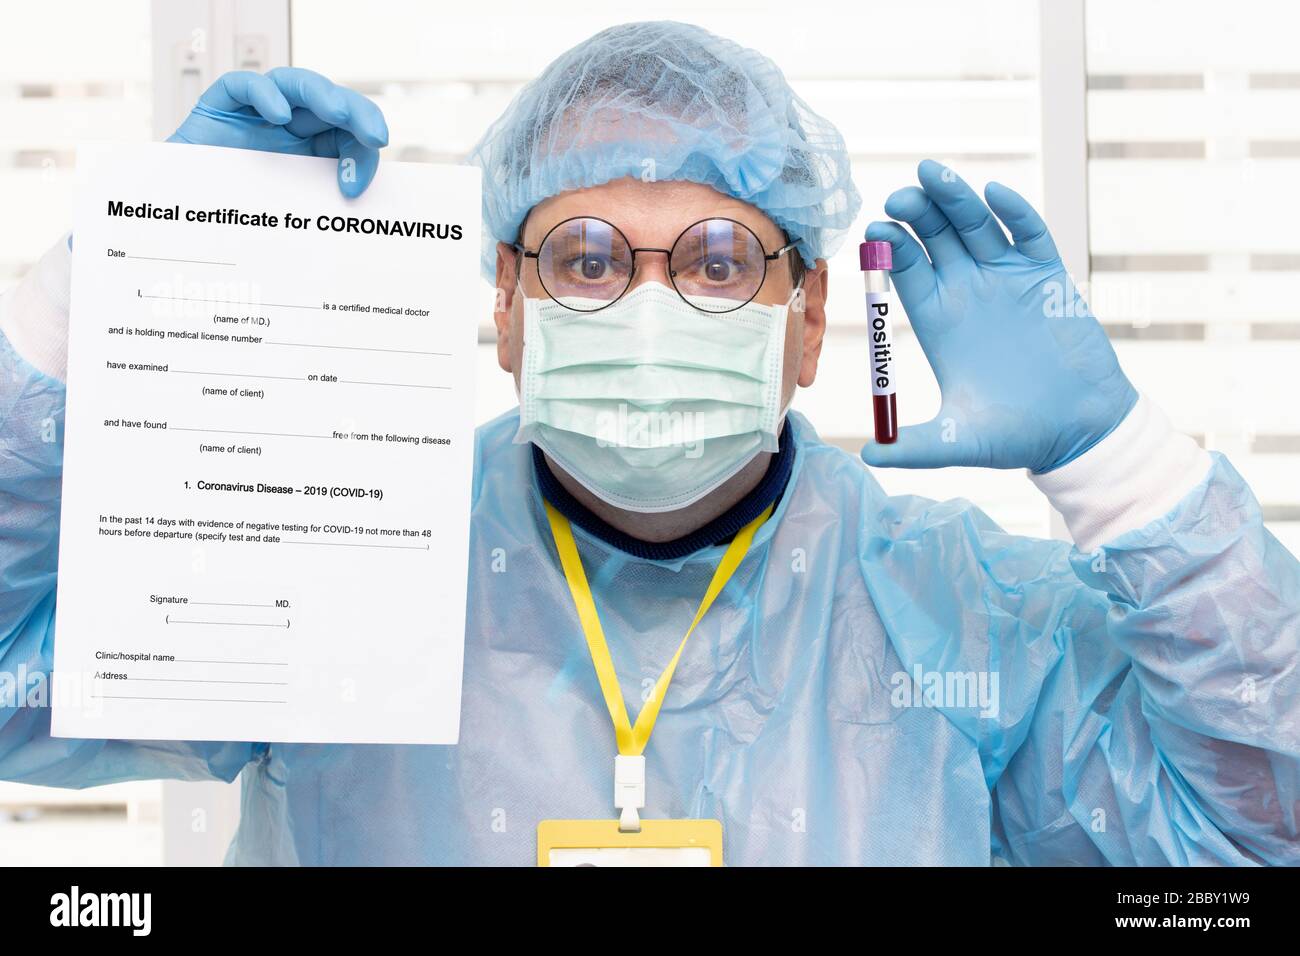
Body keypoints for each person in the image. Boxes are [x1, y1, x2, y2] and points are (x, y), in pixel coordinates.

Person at [1, 21, 1296, 866]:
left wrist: (1120, 464)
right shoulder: (349, 552)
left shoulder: (960, 611)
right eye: (586, 260)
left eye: (722, 262)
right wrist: (102, 285)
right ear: (504, 308)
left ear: (808, 318)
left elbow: (1257, 828)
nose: (650, 304)